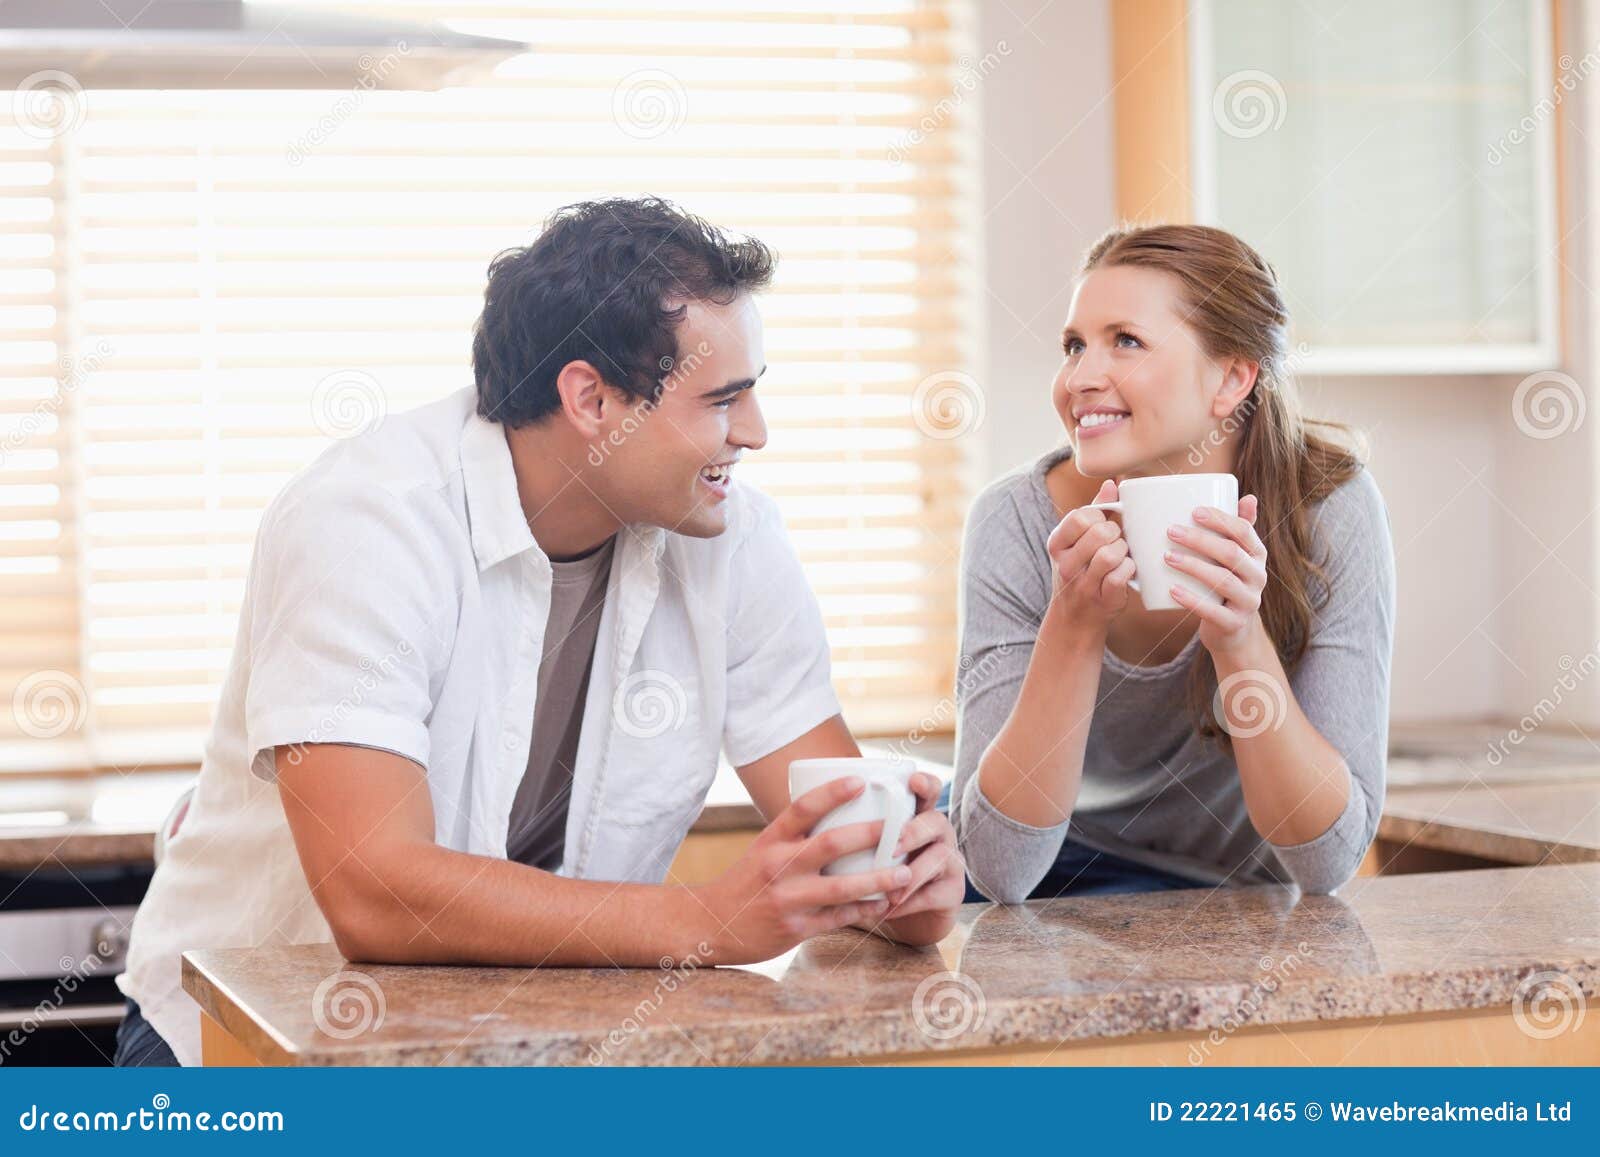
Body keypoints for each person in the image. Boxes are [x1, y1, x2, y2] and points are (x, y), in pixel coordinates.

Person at [115, 198, 965, 1066]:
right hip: (244, 1040)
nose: (755, 433)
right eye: (723, 400)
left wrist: (908, 881)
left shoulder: (731, 537)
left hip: (522, 1037)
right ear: (591, 398)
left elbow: (843, 831)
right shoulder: (366, 520)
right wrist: (708, 919)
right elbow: (375, 896)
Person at [950, 223, 1395, 904]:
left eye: (1125, 341)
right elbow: (999, 870)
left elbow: (1325, 862)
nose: (1079, 378)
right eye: (1074, 345)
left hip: (1220, 893)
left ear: (1232, 378)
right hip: (1050, 864)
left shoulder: (1329, 510)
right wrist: (1073, 624)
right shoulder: (1014, 521)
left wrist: (1240, 641)